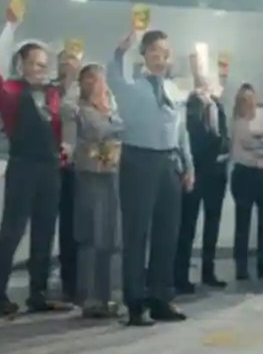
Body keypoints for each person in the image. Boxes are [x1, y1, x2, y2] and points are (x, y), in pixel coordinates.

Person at [0, 4, 68, 317]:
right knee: (13, 230)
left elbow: (59, 129)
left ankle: (38, 293)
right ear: (22, 64)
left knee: (45, 232)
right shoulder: (12, 90)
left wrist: (64, 148)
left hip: (50, 170)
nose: (39, 69)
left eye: (44, 64)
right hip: (23, 167)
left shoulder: (54, 94)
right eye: (34, 64)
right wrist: (10, 28)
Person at [109, 27, 195, 327]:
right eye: (155, 52)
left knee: (167, 233)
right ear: (144, 55)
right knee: (136, 234)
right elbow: (113, 76)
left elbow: (181, 131)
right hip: (139, 160)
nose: (161, 58)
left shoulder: (173, 89)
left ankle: (161, 297)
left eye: (165, 52)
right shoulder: (131, 86)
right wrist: (121, 51)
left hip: (169, 161)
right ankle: (135, 302)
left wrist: (188, 165)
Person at [65, 64, 124, 319]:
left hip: (112, 176)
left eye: (100, 79)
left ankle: (107, 295)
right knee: (90, 236)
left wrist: (110, 114)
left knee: (110, 238)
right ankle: (88, 296)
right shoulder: (78, 110)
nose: (97, 84)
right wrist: (107, 116)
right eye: (91, 79)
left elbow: (123, 127)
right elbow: (99, 131)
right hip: (90, 176)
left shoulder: (112, 108)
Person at [176, 54, 230, 293]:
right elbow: (196, 136)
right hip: (197, 170)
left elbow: (223, 133)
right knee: (187, 224)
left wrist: (225, 150)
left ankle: (208, 271)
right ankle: (180, 274)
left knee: (212, 223)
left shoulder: (217, 104)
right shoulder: (192, 104)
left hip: (217, 172)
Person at [228, 62, 263, 280]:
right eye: (244, 100)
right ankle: (241, 267)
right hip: (245, 175)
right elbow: (257, 147)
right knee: (243, 223)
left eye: (251, 99)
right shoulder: (238, 123)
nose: (249, 103)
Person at [55, 47, 83, 304]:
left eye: (73, 60)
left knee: (72, 228)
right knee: (48, 228)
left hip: (76, 166)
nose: (69, 65)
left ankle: (73, 283)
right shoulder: (50, 91)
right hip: (51, 164)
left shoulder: (82, 92)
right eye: (64, 60)